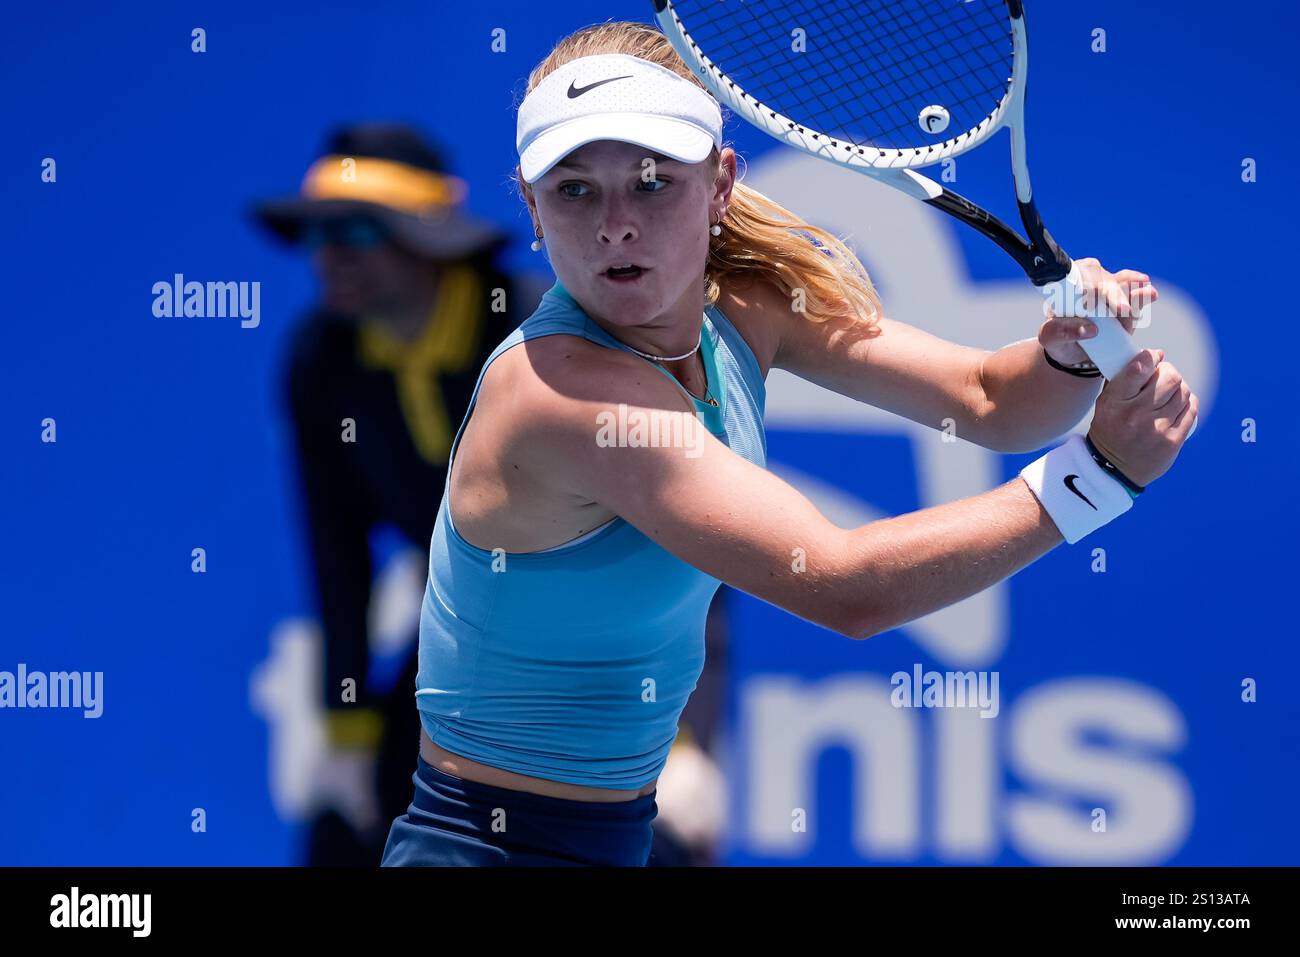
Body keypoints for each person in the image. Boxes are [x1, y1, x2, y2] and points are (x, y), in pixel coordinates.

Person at [380, 22, 1197, 867]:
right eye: (575, 190)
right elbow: (845, 588)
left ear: (721, 184)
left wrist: (1065, 352)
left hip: (614, 841)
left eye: (654, 182)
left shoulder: (745, 306)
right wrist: (1096, 479)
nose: (615, 224)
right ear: (531, 208)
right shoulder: (565, 395)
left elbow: (988, 400)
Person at [251, 123, 546, 865]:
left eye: (356, 228)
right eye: (317, 233)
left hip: (595, 639)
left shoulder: (539, 329)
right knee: (343, 835)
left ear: (428, 238)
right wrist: (345, 735)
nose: (330, 256)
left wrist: (681, 738)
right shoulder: (322, 360)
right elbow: (337, 555)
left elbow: (664, 535)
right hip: (459, 629)